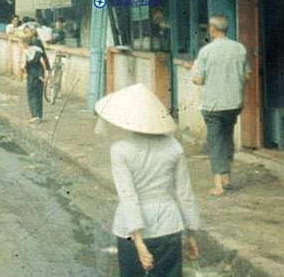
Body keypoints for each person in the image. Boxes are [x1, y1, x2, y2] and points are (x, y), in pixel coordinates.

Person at [95, 83, 200, 276]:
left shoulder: (120, 150)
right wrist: (191, 233)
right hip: (169, 225)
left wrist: (139, 243)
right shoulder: (174, 146)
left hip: (132, 231)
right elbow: (185, 193)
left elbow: (129, 197)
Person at [191, 14, 250, 197]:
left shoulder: (206, 52)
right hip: (233, 103)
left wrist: (194, 71)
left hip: (213, 105)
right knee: (227, 138)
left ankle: (219, 185)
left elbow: (199, 80)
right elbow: (247, 75)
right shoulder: (240, 49)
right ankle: (227, 178)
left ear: (212, 30)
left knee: (216, 142)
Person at [21, 35, 49, 124]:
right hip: (34, 75)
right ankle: (36, 115)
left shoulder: (33, 51)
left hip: (35, 75)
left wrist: (40, 75)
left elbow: (41, 64)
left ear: (26, 44)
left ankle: (36, 115)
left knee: (34, 95)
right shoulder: (34, 51)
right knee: (35, 94)